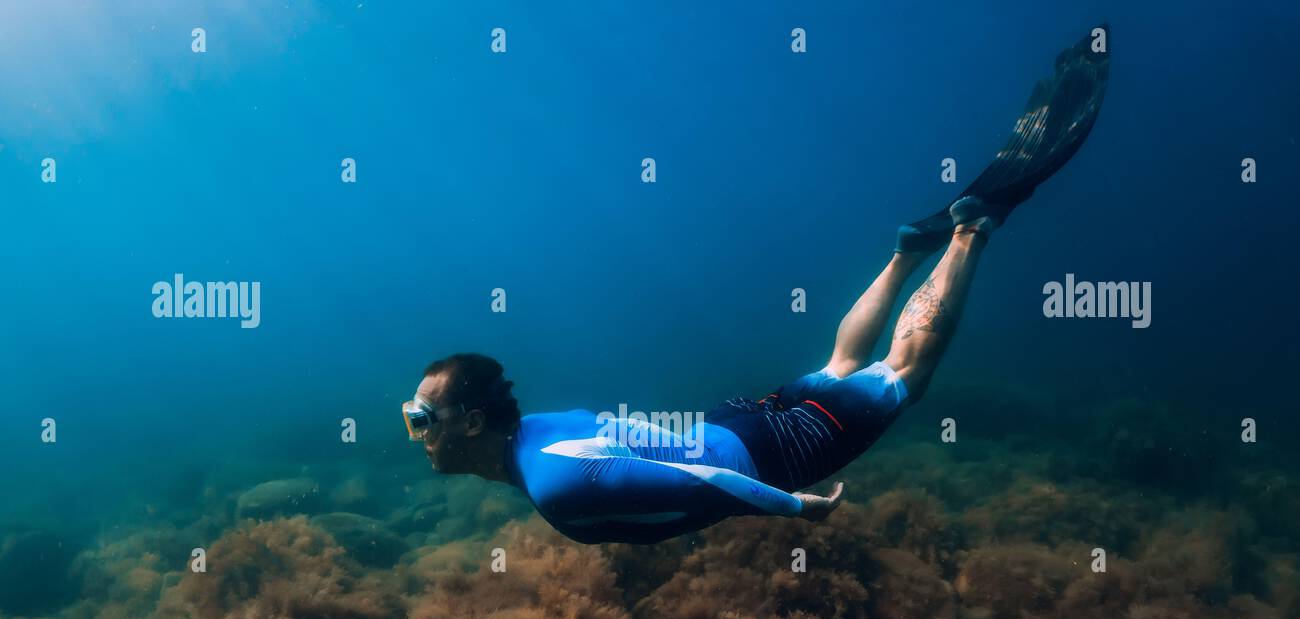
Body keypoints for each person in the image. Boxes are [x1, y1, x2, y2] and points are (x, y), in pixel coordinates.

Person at [401, 29, 1109, 545]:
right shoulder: (537, 436)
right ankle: (902, 255)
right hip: (731, 424)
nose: (412, 430)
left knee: (901, 375)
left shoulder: (552, 483)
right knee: (837, 369)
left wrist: (797, 510)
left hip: (765, 451)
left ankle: (970, 230)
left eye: (421, 417)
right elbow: (636, 444)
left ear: (470, 423)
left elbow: (701, 486)